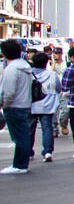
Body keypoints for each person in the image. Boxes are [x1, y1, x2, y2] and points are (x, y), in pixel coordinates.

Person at [0, 39, 35, 174]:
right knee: (23, 136)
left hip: (14, 106)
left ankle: (19, 165)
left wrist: (5, 105)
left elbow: (8, 92)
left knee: (19, 137)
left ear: (4, 53)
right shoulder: (25, 66)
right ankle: (21, 164)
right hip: (25, 104)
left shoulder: (11, 69)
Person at [27, 52, 60, 164]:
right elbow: (58, 88)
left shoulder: (28, 74)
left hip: (31, 105)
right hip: (47, 105)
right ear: (46, 62)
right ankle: (47, 152)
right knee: (47, 128)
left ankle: (28, 151)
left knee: (30, 129)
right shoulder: (52, 74)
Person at [48, 45, 70, 136]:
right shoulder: (50, 64)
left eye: (58, 53)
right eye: (55, 53)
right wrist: (53, 62)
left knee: (65, 110)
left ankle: (63, 125)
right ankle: (54, 128)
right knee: (54, 110)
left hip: (65, 89)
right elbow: (50, 73)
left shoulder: (66, 63)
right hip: (54, 89)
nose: (57, 55)